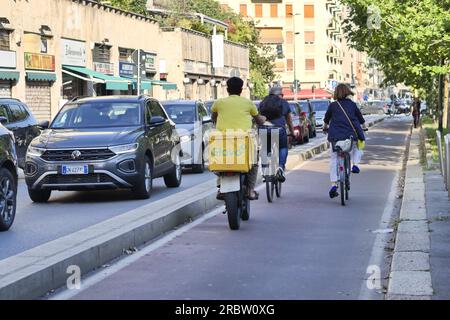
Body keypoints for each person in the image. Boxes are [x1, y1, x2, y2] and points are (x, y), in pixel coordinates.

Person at [211, 77, 266, 200]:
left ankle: (220, 187)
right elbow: (258, 120)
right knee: (254, 162)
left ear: (227, 89)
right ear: (241, 90)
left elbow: (213, 117)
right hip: (244, 141)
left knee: (220, 161)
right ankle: (250, 191)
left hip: (223, 141)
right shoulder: (248, 103)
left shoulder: (219, 103)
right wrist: (263, 120)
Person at [323, 83, 366, 199]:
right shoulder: (352, 104)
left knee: (334, 159)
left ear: (336, 93)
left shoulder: (332, 105)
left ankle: (334, 184)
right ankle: (355, 164)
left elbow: (326, 120)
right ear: (347, 92)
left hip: (335, 137)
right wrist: (364, 126)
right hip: (350, 136)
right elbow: (361, 119)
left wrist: (325, 127)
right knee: (359, 146)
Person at [258, 86, 295, 181]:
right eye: (282, 94)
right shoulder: (284, 103)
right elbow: (289, 121)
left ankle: (265, 171)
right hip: (279, 130)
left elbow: (258, 117)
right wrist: (292, 132)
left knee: (265, 149)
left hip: (264, 129)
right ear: (280, 95)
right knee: (283, 147)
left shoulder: (263, 102)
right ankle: (281, 167)